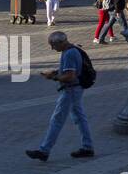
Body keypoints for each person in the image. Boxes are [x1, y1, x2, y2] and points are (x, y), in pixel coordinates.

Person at [25, 31, 93, 162]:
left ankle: (44, 150)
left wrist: (54, 77)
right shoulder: (72, 50)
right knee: (79, 118)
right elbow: (69, 71)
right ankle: (88, 146)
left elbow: (70, 76)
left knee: (57, 119)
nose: (52, 48)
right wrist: (56, 72)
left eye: (53, 45)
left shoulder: (69, 53)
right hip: (75, 88)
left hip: (71, 90)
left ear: (60, 43)